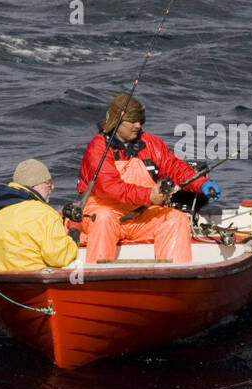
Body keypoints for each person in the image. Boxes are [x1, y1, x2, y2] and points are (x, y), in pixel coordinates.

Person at [76, 94, 222, 263]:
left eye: (140, 120)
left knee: (177, 219)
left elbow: (175, 167)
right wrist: (149, 196)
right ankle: (97, 280)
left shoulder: (152, 143)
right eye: (132, 121)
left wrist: (201, 183)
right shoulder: (98, 147)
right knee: (103, 218)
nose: (138, 125)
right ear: (117, 120)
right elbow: (109, 187)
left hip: (141, 214)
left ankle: (173, 279)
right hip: (102, 212)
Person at [0, 158, 79, 272]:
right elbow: (61, 258)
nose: (52, 187)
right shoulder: (45, 214)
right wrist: (74, 232)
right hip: (35, 282)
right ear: (34, 186)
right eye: (48, 183)